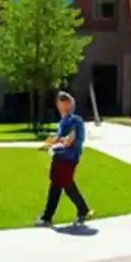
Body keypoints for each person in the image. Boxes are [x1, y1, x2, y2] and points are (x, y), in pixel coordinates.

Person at [35, 92, 94, 227]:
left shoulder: (75, 120)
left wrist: (58, 141)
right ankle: (83, 210)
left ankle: (47, 217)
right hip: (60, 157)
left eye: (65, 101)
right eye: (60, 101)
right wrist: (50, 143)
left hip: (68, 158)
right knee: (66, 185)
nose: (62, 104)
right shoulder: (63, 121)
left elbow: (70, 140)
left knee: (57, 185)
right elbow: (60, 138)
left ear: (71, 103)